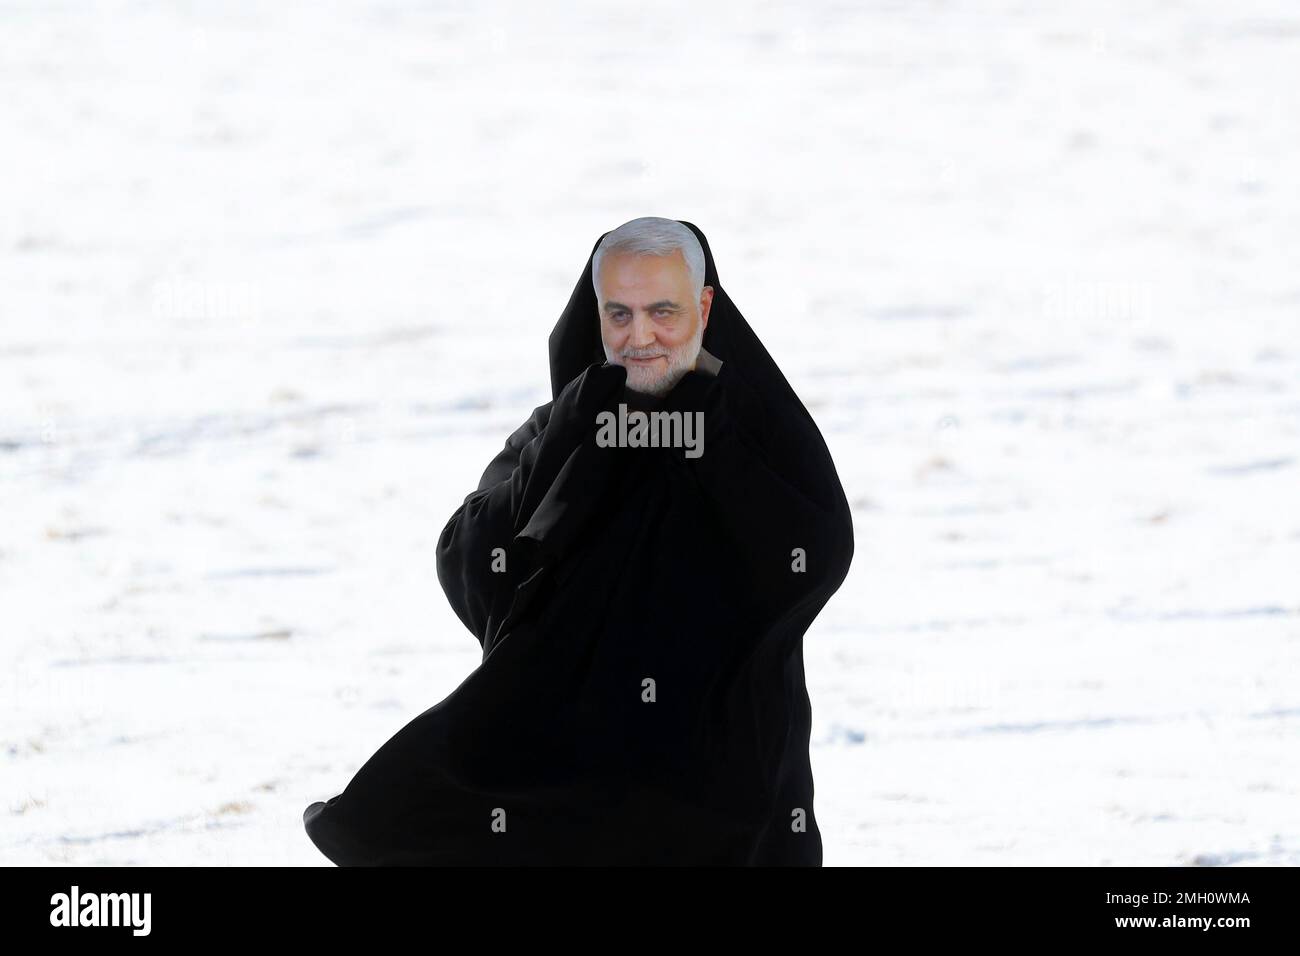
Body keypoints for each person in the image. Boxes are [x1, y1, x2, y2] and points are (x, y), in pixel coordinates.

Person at [303, 217, 854, 865]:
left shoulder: (756, 425)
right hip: (556, 752)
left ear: (704, 307)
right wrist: (569, 439)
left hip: (720, 762)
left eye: (663, 311)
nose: (640, 335)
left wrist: (714, 451)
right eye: (618, 313)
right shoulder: (563, 422)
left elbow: (814, 560)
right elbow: (470, 563)